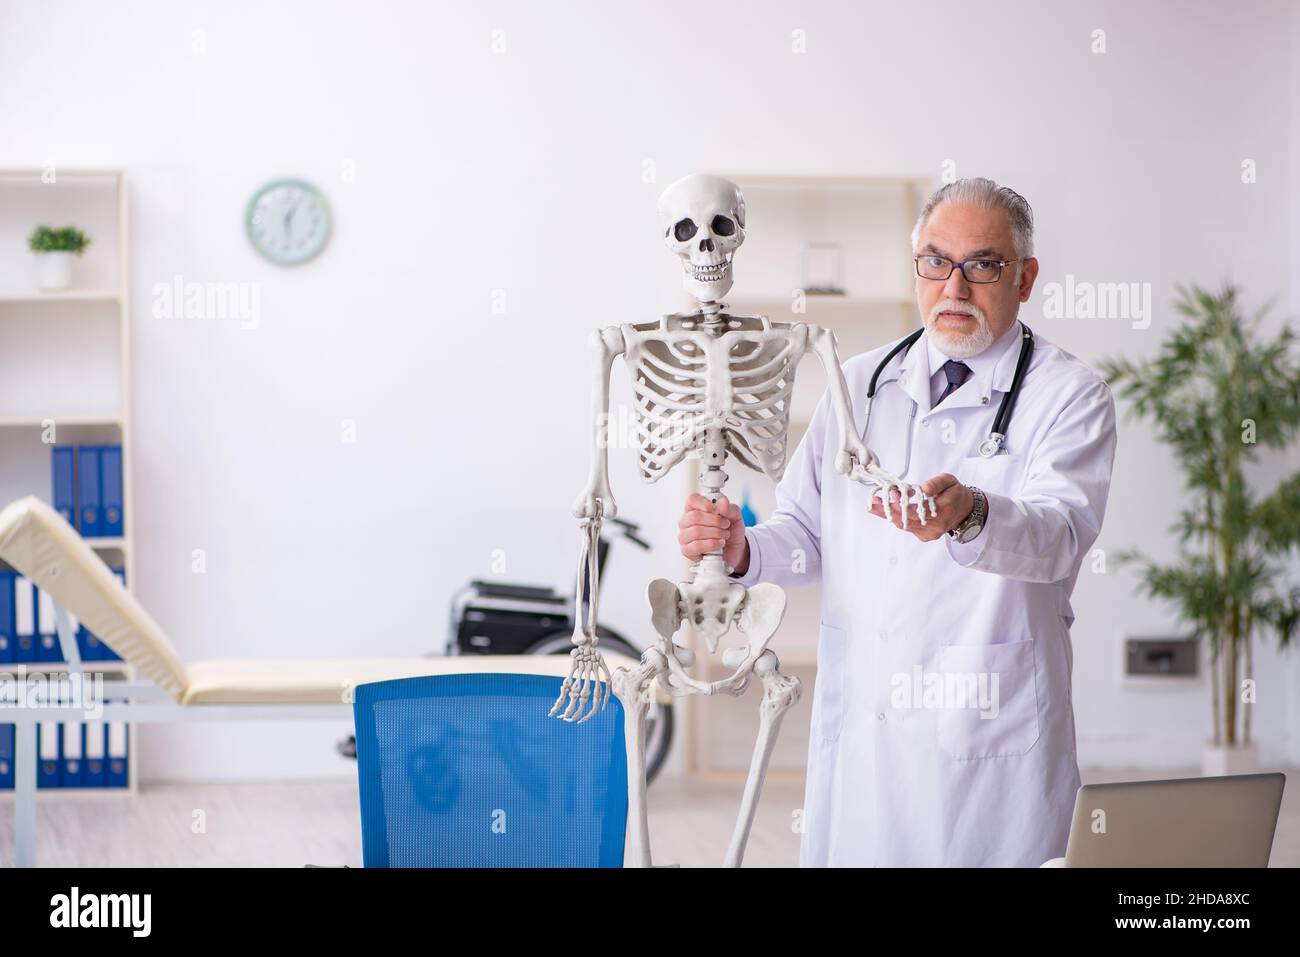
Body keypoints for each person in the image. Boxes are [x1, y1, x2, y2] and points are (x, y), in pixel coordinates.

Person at [677, 177, 1117, 866]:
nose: (956, 287)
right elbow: (804, 533)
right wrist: (741, 548)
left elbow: (1058, 537)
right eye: (936, 261)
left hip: (987, 742)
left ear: (1026, 277)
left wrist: (972, 514)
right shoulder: (857, 383)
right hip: (868, 740)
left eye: (984, 264)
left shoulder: (1069, 395)